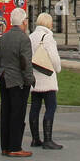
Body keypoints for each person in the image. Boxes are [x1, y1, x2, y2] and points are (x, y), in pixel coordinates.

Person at [0, 7, 34, 157]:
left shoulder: (4, 37)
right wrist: (29, 80)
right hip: (17, 81)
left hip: (4, 77)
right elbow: (26, 63)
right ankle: (15, 146)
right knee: (17, 114)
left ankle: (5, 146)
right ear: (23, 22)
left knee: (6, 112)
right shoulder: (24, 39)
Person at [28, 13, 63, 150]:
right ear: (48, 23)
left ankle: (35, 138)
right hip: (47, 77)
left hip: (35, 77)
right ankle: (48, 139)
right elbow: (54, 58)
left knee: (35, 107)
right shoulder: (47, 37)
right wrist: (58, 68)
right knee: (51, 107)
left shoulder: (31, 37)